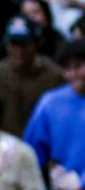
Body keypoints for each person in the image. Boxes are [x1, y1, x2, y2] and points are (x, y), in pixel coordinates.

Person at [0, 16, 66, 136]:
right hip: (4, 143)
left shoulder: (55, 76)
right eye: (13, 44)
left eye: (24, 44)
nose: (18, 50)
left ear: (36, 44)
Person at [24, 38, 85, 177]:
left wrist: (81, 183)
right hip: (62, 185)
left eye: (78, 66)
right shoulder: (50, 102)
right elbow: (32, 151)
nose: (72, 74)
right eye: (67, 68)